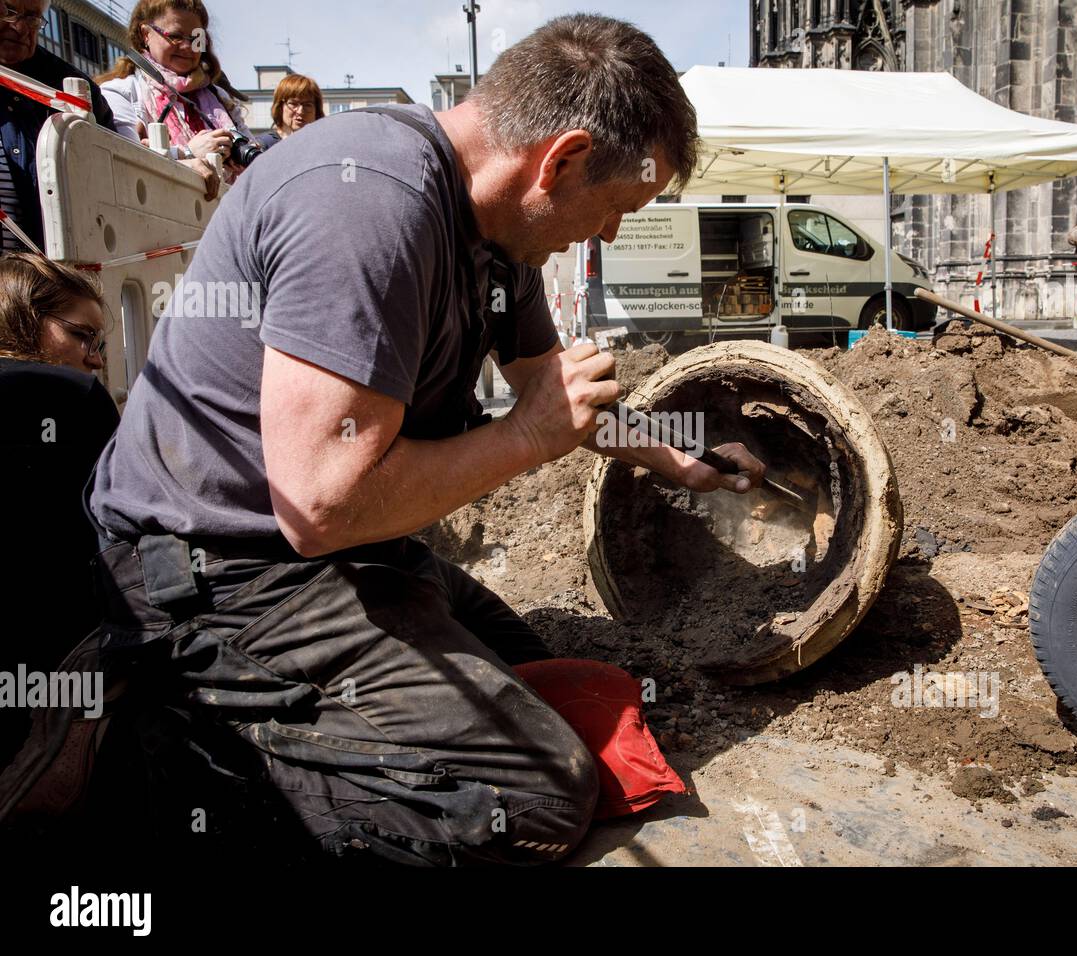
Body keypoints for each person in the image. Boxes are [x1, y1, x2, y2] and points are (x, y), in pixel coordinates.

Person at [7, 14, 763, 866]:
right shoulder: (365, 205)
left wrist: (677, 452)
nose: (611, 233)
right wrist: (525, 439)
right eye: (617, 208)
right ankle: (164, 761)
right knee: (535, 797)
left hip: (331, 550)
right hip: (216, 573)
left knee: (544, 682)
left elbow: (552, 395)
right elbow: (322, 504)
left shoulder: (499, 233)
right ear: (562, 160)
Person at [0, 253, 118, 768]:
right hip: (56, 661)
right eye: (82, 336)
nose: (95, 358)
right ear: (24, 318)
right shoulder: (72, 395)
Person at [0, 0, 118, 251]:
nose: (20, 28)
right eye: (7, 11)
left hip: (43, 275)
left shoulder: (72, 89)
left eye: (32, 18)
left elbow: (112, 179)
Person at [97, 0, 250, 193]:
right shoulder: (121, 93)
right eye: (176, 37)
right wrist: (187, 153)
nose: (188, 47)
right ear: (146, 34)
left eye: (196, 38)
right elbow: (126, 163)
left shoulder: (220, 98)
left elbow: (256, 161)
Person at [255, 73, 322, 150]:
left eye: (307, 105)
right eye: (293, 104)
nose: (300, 111)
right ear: (280, 107)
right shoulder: (264, 146)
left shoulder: (323, 145)